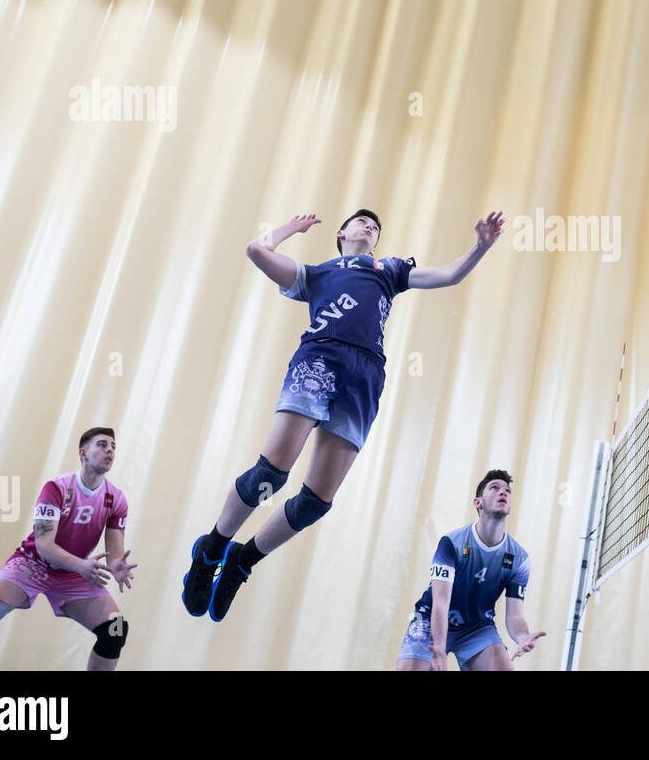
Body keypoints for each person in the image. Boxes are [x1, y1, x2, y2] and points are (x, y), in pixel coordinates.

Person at [183, 208, 505, 622]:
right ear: (341, 233)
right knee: (270, 475)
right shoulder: (315, 274)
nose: (370, 225)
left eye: (376, 225)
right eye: (361, 221)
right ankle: (212, 547)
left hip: (365, 376)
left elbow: (449, 275)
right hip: (320, 358)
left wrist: (480, 246)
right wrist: (289, 229)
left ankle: (243, 560)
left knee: (315, 503)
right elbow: (256, 250)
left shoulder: (388, 270)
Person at [0, 427, 136, 670]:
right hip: (33, 563)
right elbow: (44, 545)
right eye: (102, 444)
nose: (110, 450)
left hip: (73, 572)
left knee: (116, 630)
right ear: (83, 453)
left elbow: (115, 551)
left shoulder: (117, 499)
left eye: (113, 446)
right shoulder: (57, 488)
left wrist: (117, 565)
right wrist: (81, 565)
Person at [395, 470, 544, 671]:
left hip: (476, 627)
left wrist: (522, 635)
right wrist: (439, 646)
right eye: (495, 488)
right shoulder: (452, 544)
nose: (503, 492)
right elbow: (440, 602)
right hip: (433, 619)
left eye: (507, 490)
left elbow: (515, 616)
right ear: (478, 502)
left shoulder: (519, 559)